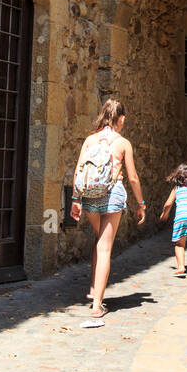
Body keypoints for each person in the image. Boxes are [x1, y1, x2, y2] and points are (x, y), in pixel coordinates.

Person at [70, 98, 145, 327]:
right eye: (124, 118)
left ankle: (94, 290)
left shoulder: (90, 140)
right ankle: (97, 306)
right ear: (120, 118)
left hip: (90, 196)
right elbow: (132, 177)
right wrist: (141, 203)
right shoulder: (122, 143)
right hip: (112, 195)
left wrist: (75, 199)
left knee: (98, 239)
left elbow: (78, 170)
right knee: (105, 248)